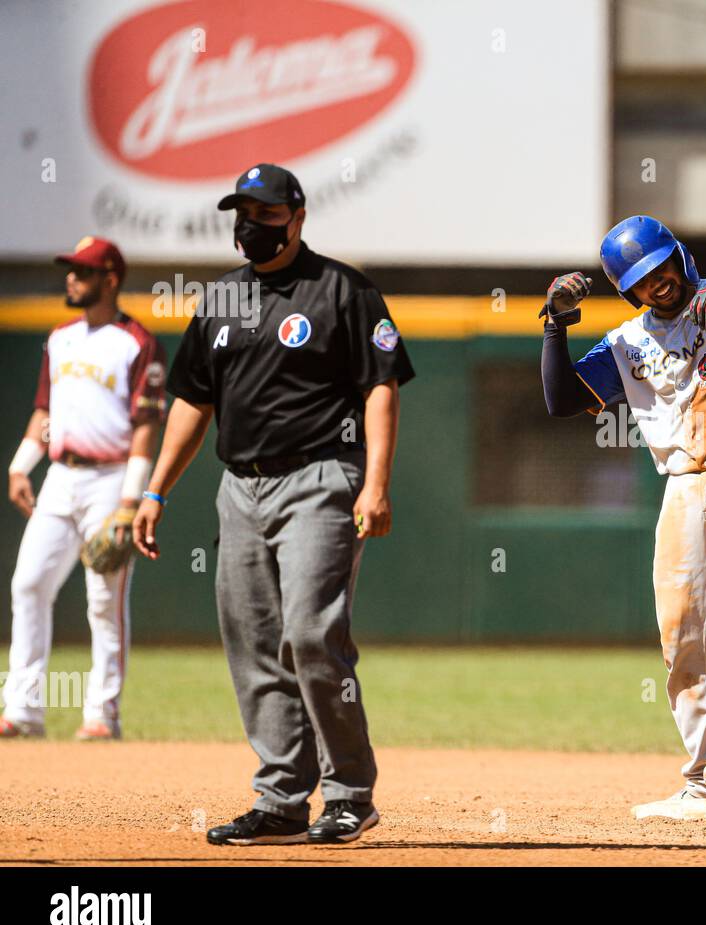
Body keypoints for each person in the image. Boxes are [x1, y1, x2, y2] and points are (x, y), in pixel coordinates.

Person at [132, 164, 415, 844]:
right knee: (254, 644)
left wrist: (376, 483)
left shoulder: (343, 290)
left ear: (296, 215)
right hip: (242, 488)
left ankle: (350, 794)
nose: (250, 226)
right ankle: (282, 800)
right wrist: (153, 490)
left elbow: (381, 386)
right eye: (242, 212)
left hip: (322, 478)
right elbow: (193, 401)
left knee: (312, 635)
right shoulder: (221, 300)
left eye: (264, 213)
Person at [541, 215, 706, 800]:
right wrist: (555, 325)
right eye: (640, 278)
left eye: (661, 266)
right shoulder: (628, 342)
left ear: (679, 257)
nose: (656, 282)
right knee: (682, 633)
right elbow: (562, 400)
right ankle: (704, 774)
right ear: (626, 290)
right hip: (684, 483)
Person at [2, 237, 165, 741]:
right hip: (61, 476)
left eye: (83, 272)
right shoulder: (60, 337)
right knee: (28, 584)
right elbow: (44, 410)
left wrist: (129, 501)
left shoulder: (136, 341)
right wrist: (19, 465)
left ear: (110, 278)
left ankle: (101, 713)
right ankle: (23, 711)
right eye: (71, 271)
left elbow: (145, 425)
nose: (71, 279)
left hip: (111, 477)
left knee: (104, 598)